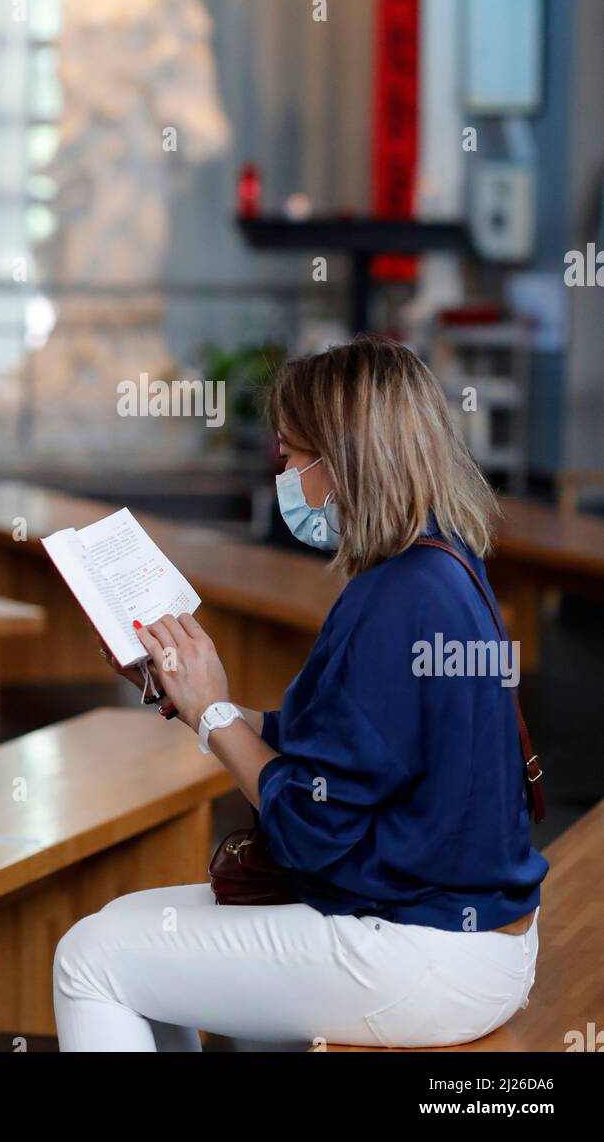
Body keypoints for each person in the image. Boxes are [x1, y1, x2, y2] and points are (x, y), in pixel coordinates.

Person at [53, 336, 548, 1051]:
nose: (281, 471)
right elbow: (354, 743)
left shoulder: (395, 596)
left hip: (422, 955)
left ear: (341, 463)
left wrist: (217, 714)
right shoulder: (442, 564)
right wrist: (184, 693)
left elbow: (311, 827)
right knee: (135, 926)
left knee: (91, 958)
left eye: (289, 453)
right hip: (480, 938)